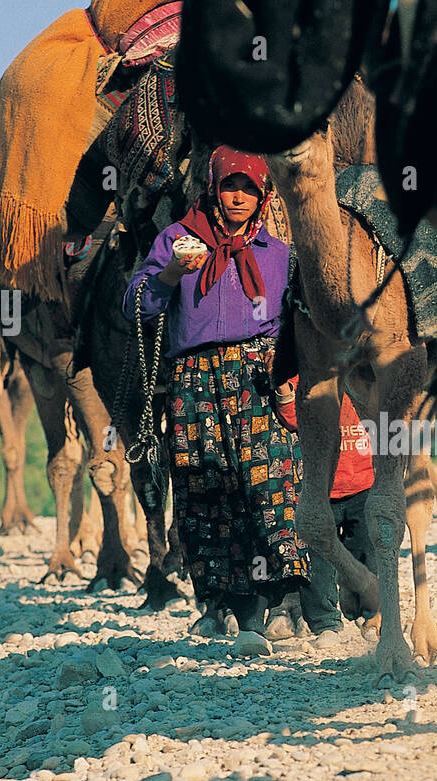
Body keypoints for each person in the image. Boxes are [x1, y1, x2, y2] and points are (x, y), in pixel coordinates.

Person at [122, 145, 307, 655]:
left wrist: (290, 369)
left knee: (270, 483)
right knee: (205, 488)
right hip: (194, 380)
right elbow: (134, 303)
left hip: (259, 376)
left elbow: (300, 317)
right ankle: (221, 604)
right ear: (214, 189)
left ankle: (284, 600)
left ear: (264, 195)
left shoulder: (278, 253)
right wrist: (169, 276)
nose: (239, 197)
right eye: (231, 186)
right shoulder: (177, 240)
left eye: (250, 188)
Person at [276, 381, 376, 649]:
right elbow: (292, 419)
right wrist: (284, 393)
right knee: (317, 562)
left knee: (367, 552)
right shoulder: (306, 375)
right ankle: (325, 622)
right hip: (321, 488)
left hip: (364, 483)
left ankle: (370, 616)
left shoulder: (363, 374)